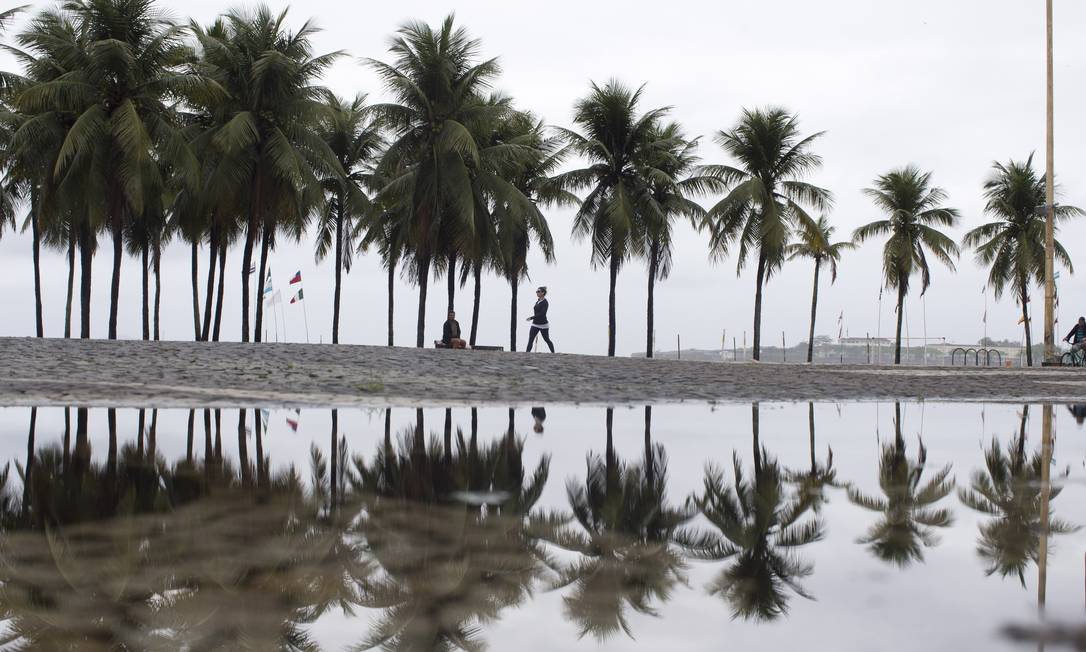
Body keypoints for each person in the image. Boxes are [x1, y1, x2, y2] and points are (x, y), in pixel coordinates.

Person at [525, 286, 555, 352]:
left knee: (546, 339)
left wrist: (531, 317)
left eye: (538, 291)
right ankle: (527, 353)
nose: (537, 293)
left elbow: (542, 314)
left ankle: (553, 353)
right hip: (535, 324)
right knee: (530, 339)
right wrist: (533, 319)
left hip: (543, 324)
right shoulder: (538, 301)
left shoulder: (545, 303)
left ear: (543, 293)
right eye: (536, 291)